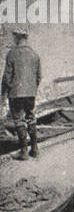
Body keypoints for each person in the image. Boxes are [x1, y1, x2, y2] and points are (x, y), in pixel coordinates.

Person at [2, 28, 41, 160]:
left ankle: (24, 151)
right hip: (30, 93)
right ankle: (35, 149)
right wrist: (31, 89)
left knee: (18, 120)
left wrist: (4, 93)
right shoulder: (35, 55)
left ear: (17, 38)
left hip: (16, 93)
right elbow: (39, 76)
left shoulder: (12, 54)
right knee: (31, 117)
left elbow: (6, 77)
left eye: (14, 37)